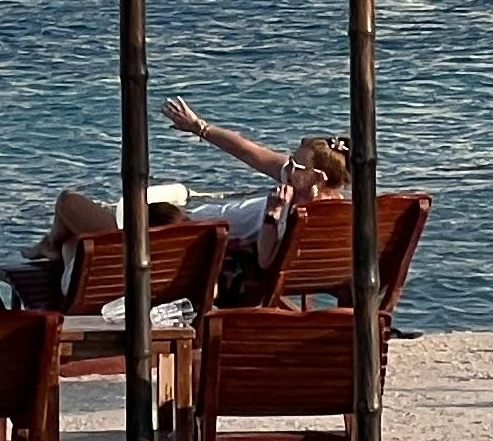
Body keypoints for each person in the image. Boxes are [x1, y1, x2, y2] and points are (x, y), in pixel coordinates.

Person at [42, 102, 347, 301]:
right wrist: (199, 126)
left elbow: (268, 260)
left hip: (179, 239)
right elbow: (248, 151)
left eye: (296, 165)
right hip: (190, 231)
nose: (288, 167)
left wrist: (272, 214)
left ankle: (51, 247)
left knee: (69, 204)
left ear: (318, 177)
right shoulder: (327, 205)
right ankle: (53, 247)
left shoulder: (287, 212)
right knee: (73, 237)